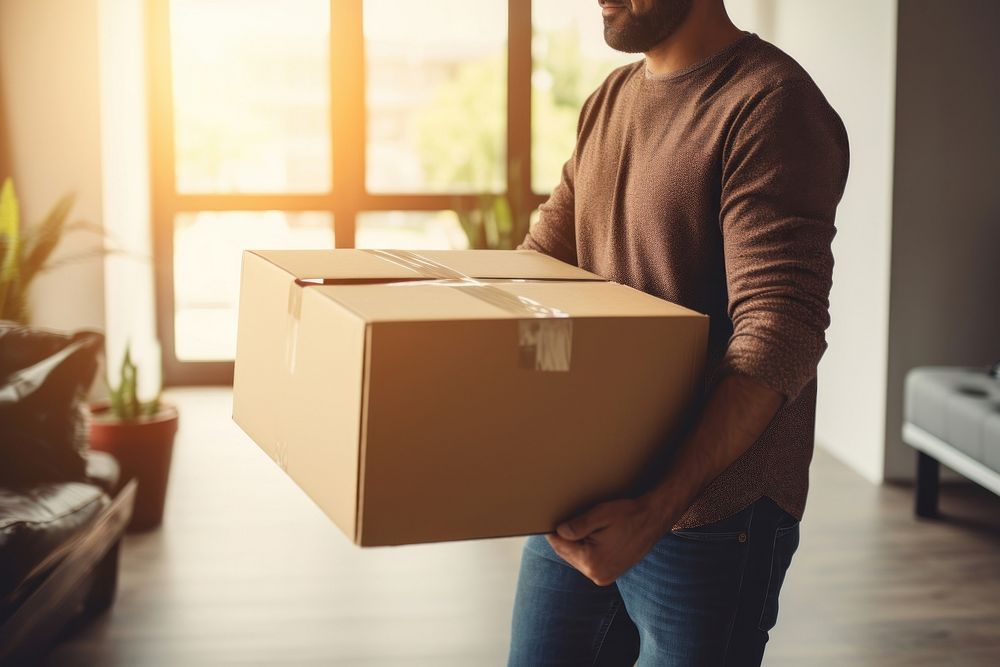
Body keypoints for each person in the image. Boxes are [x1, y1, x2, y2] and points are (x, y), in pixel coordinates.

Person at [508, 0, 849, 664]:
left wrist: (656, 506)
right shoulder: (610, 100)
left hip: (709, 515)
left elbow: (781, 333)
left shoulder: (770, 104)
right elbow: (538, 267)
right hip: (589, 488)